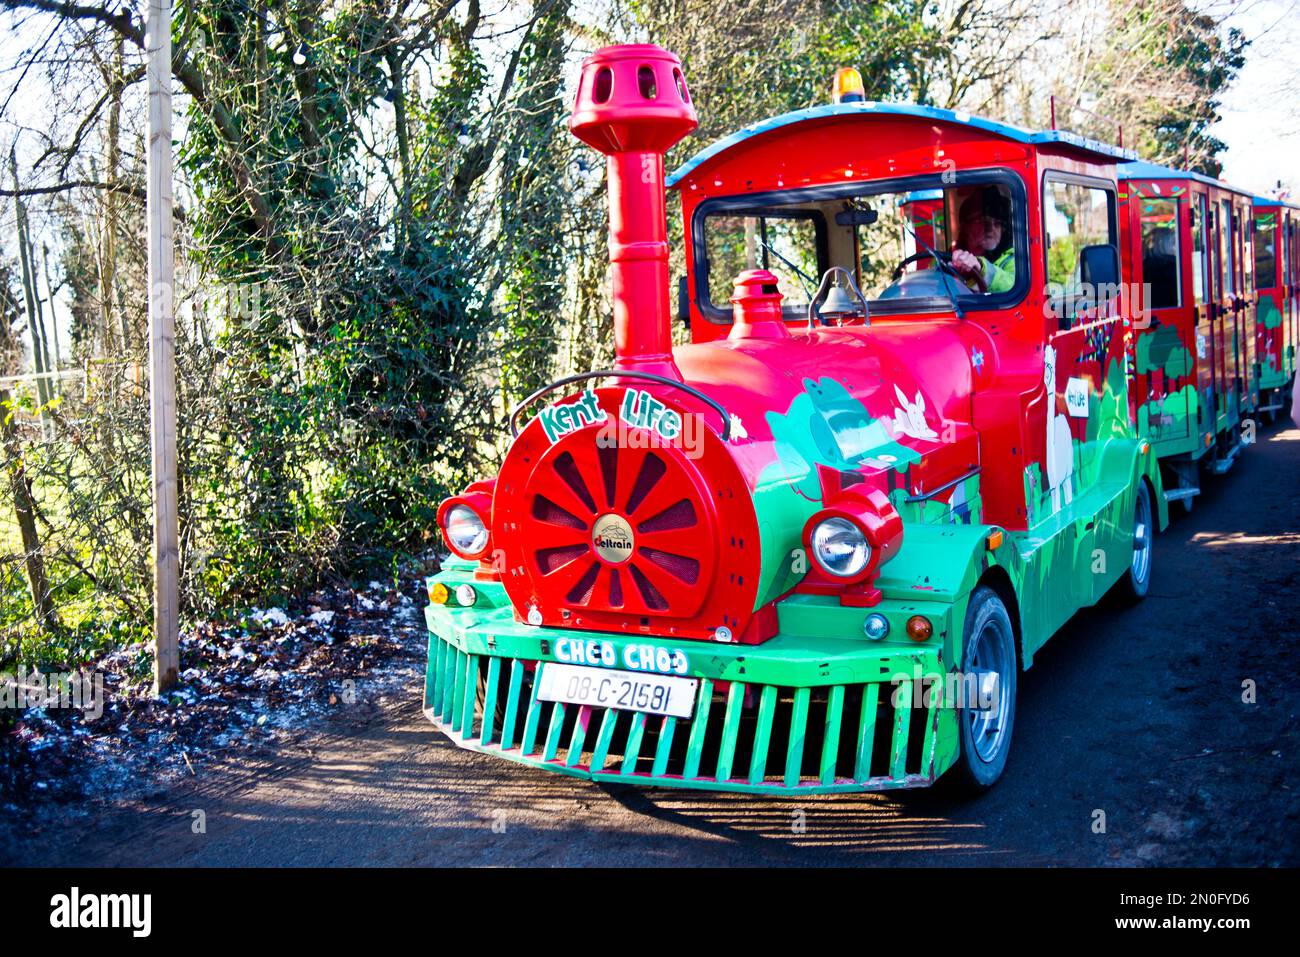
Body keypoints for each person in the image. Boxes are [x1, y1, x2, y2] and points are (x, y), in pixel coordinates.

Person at [951, 186, 1015, 294]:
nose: (991, 228)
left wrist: (980, 268)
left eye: (997, 223)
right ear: (966, 227)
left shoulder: (1012, 261)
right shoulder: (945, 257)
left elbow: (1012, 286)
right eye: (983, 221)